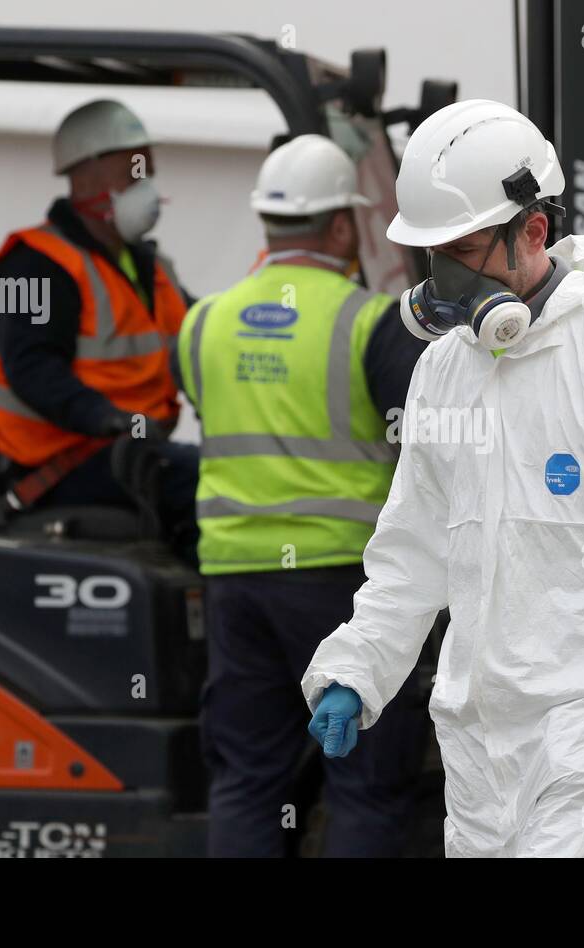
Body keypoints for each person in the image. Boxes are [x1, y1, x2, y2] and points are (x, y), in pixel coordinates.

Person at [301, 100, 584, 857]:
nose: (443, 276)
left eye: (465, 249)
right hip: (478, 736)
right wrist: (356, 667)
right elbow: (412, 550)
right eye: (432, 252)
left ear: (533, 232)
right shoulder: (443, 368)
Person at [178, 134, 430, 857]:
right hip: (338, 581)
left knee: (249, 778)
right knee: (362, 782)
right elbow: (424, 445)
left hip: (233, 579)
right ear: (342, 226)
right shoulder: (372, 323)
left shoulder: (203, 323)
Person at [0, 99, 198, 561]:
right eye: (134, 176)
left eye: (149, 175)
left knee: (234, 474)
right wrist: (109, 417)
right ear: (85, 176)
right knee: (209, 486)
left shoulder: (146, 266)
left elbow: (204, 338)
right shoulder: (32, 267)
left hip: (126, 451)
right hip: (64, 466)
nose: (147, 191)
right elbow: (33, 370)